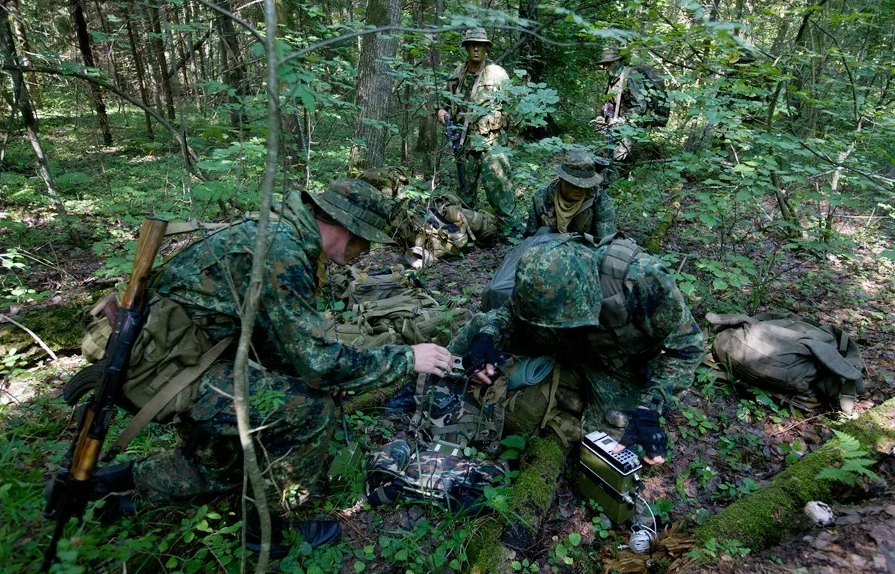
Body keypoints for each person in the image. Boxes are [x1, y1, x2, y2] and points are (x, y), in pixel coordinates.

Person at [86, 179, 454, 552]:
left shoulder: (282, 233)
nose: (366, 251)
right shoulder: (282, 253)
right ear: (342, 225)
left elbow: (275, 336)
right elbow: (319, 365)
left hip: (189, 356)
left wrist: (312, 374)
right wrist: (409, 358)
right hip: (170, 369)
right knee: (311, 411)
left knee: (222, 461)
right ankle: (267, 531)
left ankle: (112, 486)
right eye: (364, 239)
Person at [461, 235, 703, 466]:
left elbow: (688, 349)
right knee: (478, 328)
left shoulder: (642, 280)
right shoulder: (539, 270)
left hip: (615, 365)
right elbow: (514, 316)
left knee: (616, 449)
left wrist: (650, 406)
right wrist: (487, 336)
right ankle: (443, 384)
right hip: (559, 343)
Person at [437, 27, 515, 229]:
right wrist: (442, 112)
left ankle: (509, 231)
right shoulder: (457, 73)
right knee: (465, 189)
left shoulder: (497, 74)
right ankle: (467, 228)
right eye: (472, 45)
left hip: (492, 142)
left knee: (499, 187)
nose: (476, 50)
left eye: (480, 45)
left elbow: (513, 107)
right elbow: (447, 103)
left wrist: (510, 137)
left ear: (486, 48)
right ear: (466, 48)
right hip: (465, 141)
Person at [523, 148, 616, 238]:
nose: (580, 190)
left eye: (585, 186)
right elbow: (530, 237)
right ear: (561, 179)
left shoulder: (600, 201)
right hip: (548, 249)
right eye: (575, 186)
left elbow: (605, 242)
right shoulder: (541, 197)